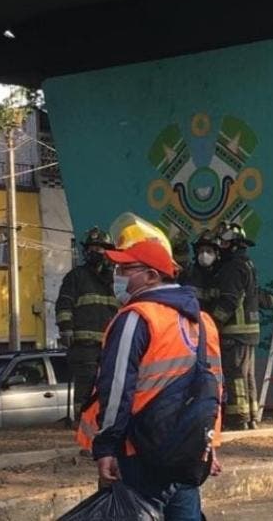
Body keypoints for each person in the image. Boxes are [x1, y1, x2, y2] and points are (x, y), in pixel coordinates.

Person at [76, 213, 223, 520]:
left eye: (126, 268)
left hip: (138, 455)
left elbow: (117, 389)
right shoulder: (203, 322)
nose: (117, 273)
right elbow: (213, 391)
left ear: (153, 276)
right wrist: (209, 446)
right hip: (186, 455)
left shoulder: (137, 317)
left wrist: (105, 448)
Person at [179, 223, 261, 429]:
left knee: (235, 375)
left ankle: (238, 417)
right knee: (246, 374)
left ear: (233, 245)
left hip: (235, 331)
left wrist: (212, 323)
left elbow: (229, 301)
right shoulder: (246, 263)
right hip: (248, 331)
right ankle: (251, 417)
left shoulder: (232, 267)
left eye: (223, 243)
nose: (219, 247)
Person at [56, 227, 119, 410]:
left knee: (108, 385)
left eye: (100, 249)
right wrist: (66, 329)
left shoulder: (114, 280)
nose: (96, 252)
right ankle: (81, 421)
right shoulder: (76, 276)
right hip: (84, 346)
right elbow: (64, 305)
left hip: (109, 345)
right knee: (86, 384)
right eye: (92, 248)